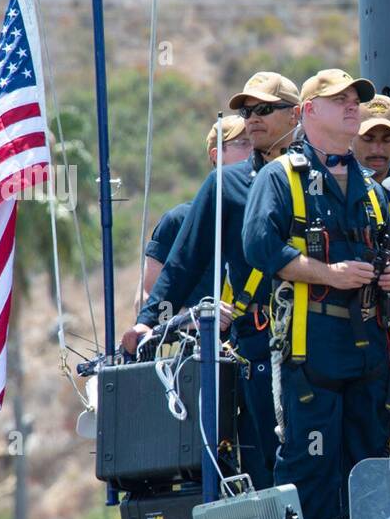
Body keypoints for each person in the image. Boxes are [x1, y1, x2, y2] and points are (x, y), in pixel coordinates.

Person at [242, 68, 390, 519]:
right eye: (339, 100)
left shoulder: (373, 189)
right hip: (312, 356)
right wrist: (327, 274)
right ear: (308, 111)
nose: (353, 106)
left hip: (370, 355)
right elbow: (259, 247)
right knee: (307, 474)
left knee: (369, 474)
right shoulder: (281, 178)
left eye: (356, 99)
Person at [122, 71, 302, 489]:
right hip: (261, 344)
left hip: (329, 343)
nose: (252, 118)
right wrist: (150, 320)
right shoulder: (227, 185)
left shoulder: (323, 177)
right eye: (246, 111)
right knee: (267, 467)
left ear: (295, 115)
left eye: (263, 110)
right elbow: (183, 264)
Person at [134, 116, 255, 315]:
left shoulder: (266, 217)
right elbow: (145, 300)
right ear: (216, 155)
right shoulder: (178, 221)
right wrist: (192, 319)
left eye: (255, 142)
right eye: (243, 143)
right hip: (195, 343)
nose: (253, 150)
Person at [351, 94, 390, 184]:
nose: (377, 150)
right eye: (368, 139)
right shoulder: (329, 190)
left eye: (387, 139)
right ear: (349, 136)